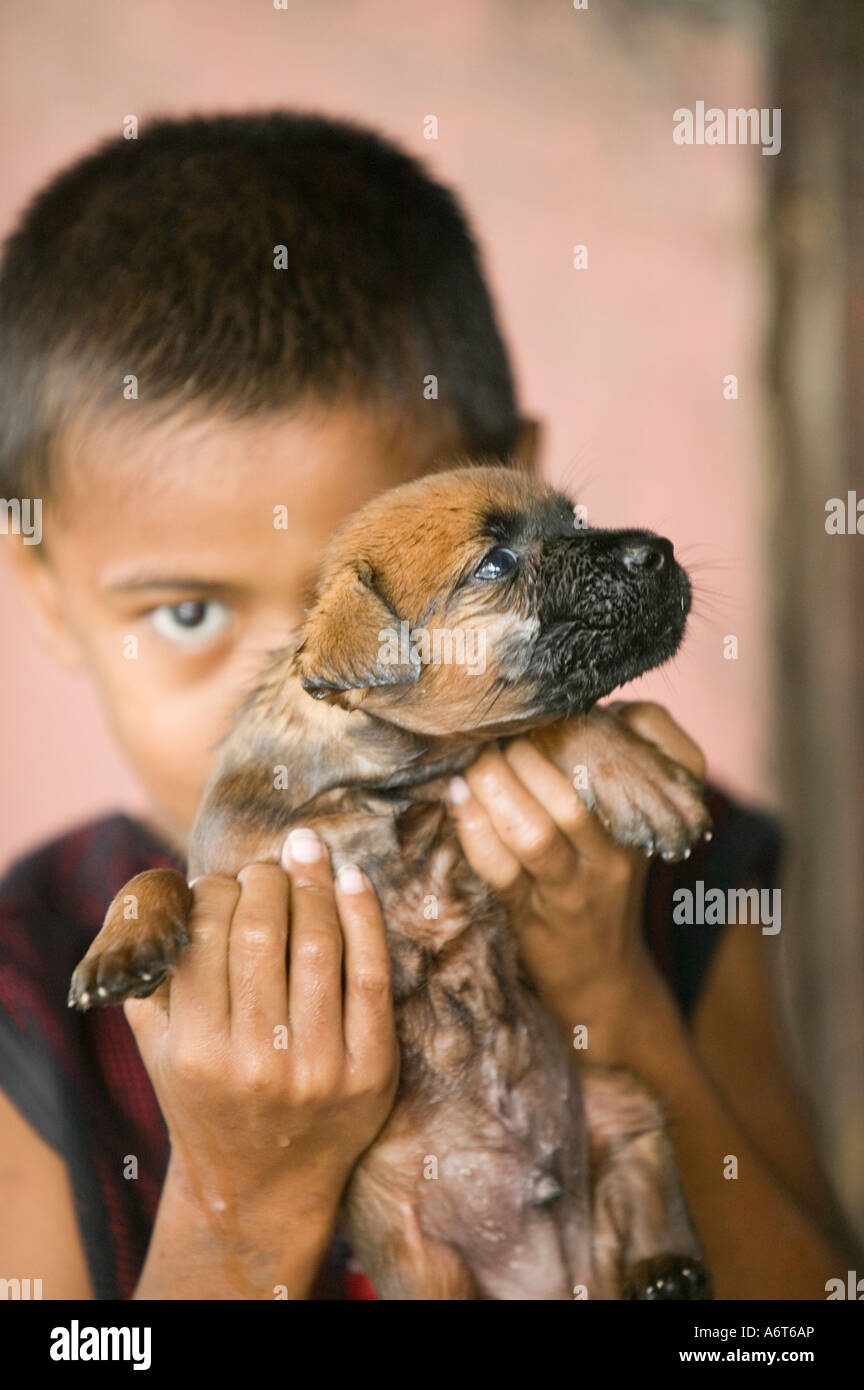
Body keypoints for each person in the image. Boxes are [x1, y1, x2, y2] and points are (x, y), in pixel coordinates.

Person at [0, 112, 856, 1301]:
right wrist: (239, 1206)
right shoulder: (33, 986)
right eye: (188, 610)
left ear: (508, 478)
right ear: (39, 582)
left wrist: (615, 994)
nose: (287, 681)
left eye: (358, 606)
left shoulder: (650, 853)